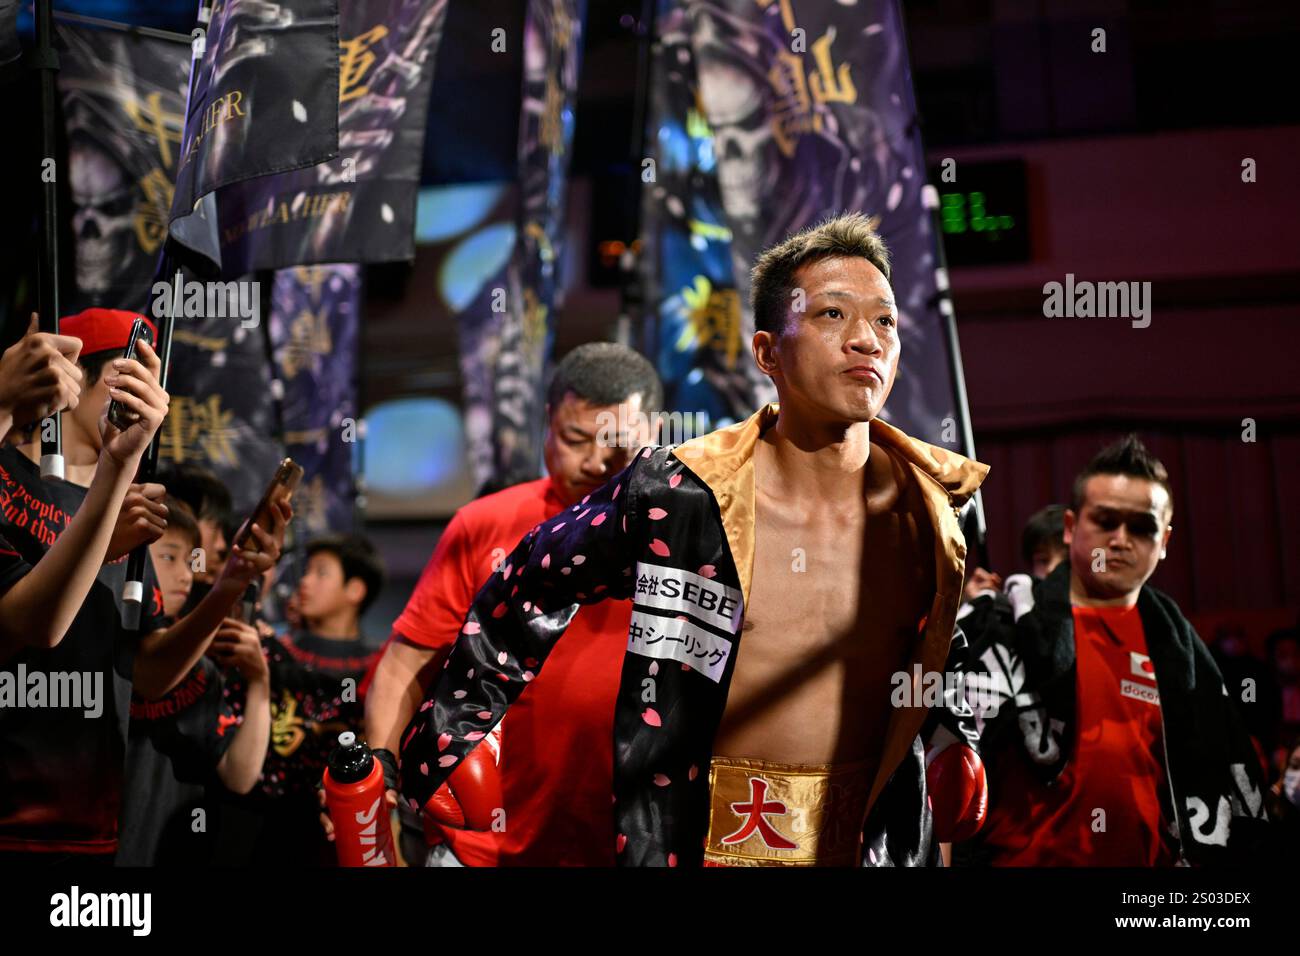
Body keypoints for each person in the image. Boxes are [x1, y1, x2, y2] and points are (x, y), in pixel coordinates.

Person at [398, 213, 988, 867]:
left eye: (885, 321)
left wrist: (950, 736)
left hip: (868, 843)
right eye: (831, 316)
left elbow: (934, 649)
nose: (867, 341)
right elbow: (527, 579)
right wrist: (452, 736)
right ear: (768, 352)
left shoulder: (929, 510)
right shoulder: (685, 494)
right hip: (706, 839)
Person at [357, 342, 661, 866]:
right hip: (480, 846)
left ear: (653, 434)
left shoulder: (683, 533)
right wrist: (379, 772)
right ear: (547, 422)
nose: (593, 461)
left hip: (633, 843)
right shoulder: (483, 524)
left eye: (617, 444)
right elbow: (407, 660)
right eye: (574, 439)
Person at [0, 307, 284, 862]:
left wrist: (229, 584)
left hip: (91, 814)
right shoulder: (9, 475)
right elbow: (30, 623)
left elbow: (148, 673)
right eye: (130, 376)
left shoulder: (122, 505)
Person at [964, 435, 1271, 866]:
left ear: (1164, 540)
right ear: (1071, 527)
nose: (1121, 540)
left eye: (1141, 527)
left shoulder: (1186, 657)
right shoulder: (1003, 627)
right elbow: (945, 771)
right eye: (1106, 521)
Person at [116, 498, 272, 866]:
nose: (187, 575)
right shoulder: (86, 646)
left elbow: (239, 775)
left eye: (191, 561)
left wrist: (259, 682)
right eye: (169, 558)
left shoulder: (199, 669)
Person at [219, 532, 384, 865]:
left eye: (321, 573)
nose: (305, 582)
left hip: (335, 835)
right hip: (254, 830)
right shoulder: (268, 650)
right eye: (306, 571)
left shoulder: (380, 670)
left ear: (355, 589)